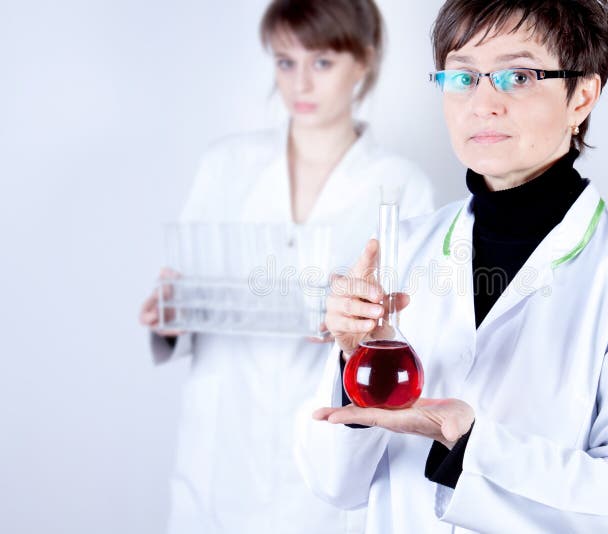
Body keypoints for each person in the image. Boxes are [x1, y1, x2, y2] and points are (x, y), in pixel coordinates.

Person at [295, 1, 608, 532]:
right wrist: (356, 369)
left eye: (518, 75)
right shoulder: (397, 256)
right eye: (463, 76)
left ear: (582, 94)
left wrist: (469, 445)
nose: (483, 103)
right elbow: (335, 486)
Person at [138, 1, 435, 532]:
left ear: (363, 61)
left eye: (321, 62)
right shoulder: (225, 166)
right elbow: (182, 293)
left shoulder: (401, 185)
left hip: (321, 467)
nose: (300, 82)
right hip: (219, 460)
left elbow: (412, 333)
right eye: (284, 62)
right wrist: (167, 319)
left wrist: (357, 321)